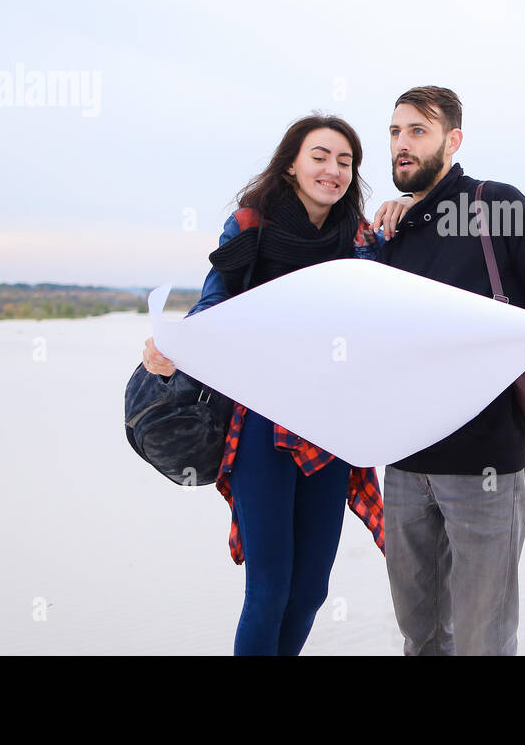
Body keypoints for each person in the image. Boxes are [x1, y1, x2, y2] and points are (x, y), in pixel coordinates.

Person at [141, 113, 411, 656]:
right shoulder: (250, 227)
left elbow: (395, 302)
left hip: (331, 426)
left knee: (311, 589)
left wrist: (410, 208)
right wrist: (175, 343)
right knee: (269, 589)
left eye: (344, 161)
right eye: (320, 156)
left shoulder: (360, 239)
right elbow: (215, 300)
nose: (332, 170)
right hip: (261, 420)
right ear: (291, 163)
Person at [378, 86, 525, 655]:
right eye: (395, 131)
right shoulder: (389, 232)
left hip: (484, 464)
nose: (402, 143)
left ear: (453, 139)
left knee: (481, 639)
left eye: (418, 130)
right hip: (402, 464)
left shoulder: (496, 202)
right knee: (418, 635)